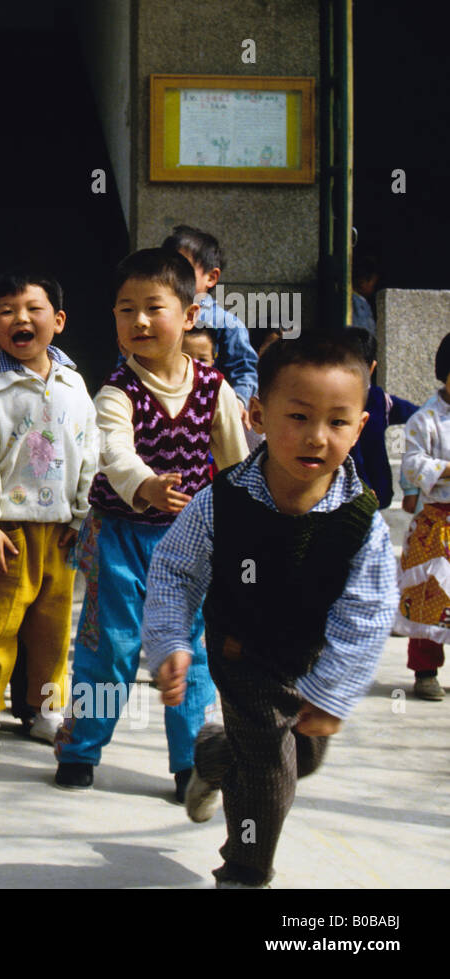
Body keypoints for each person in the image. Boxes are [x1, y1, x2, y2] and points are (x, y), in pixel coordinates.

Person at [144, 330, 396, 888]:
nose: (316, 437)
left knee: (301, 758)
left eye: (337, 421)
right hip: (243, 652)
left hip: (311, 662)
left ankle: (211, 757)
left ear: (360, 426)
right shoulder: (223, 500)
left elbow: (369, 615)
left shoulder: (361, 524)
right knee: (270, 768)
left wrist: (332, 692)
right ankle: (244, 870)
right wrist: (169, 643)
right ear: (257, 413)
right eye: (299, 417)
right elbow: (174, 571)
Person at [54, 248, 247, 796]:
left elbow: (236, 469)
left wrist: (244, 531)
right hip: (119, 538)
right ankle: (80, 746)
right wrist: (148, 486)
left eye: (152, 308)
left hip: (190, 544)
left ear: (189, 316)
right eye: (124, 309)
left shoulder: (215, 390)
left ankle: (191, 760)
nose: (138, 321)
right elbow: (114, 452)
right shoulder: (117, 392)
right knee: (109, 647)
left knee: (187, 649)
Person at [0, 275, 97, 753]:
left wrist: (82, 517)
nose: (21, 319)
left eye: (34, 308)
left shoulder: (74, 384)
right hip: (6, 532)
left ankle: (46, 710)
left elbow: (91, 453)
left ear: (58, 321)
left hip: (60, 533)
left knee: (54, 630)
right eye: (8, 311)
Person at [394, 331, 450, 702]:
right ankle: (425, 670)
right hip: (436, 521)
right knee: (429, 593)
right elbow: (413, 464)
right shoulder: (425, 418)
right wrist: (447, 470)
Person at [162, 225, 258, 417]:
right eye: (166, 267)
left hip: (210, 415)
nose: (173, 275)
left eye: (183, 268)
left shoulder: (227, 324)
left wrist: (238, 402)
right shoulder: (155, 316)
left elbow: (244, 370)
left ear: (211, 277)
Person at [343, 325, 417, 510]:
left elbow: (418, 414)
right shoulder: (327, 403)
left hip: (377, 491)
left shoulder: (381, 401)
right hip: (341, 493)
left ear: (372, 367)